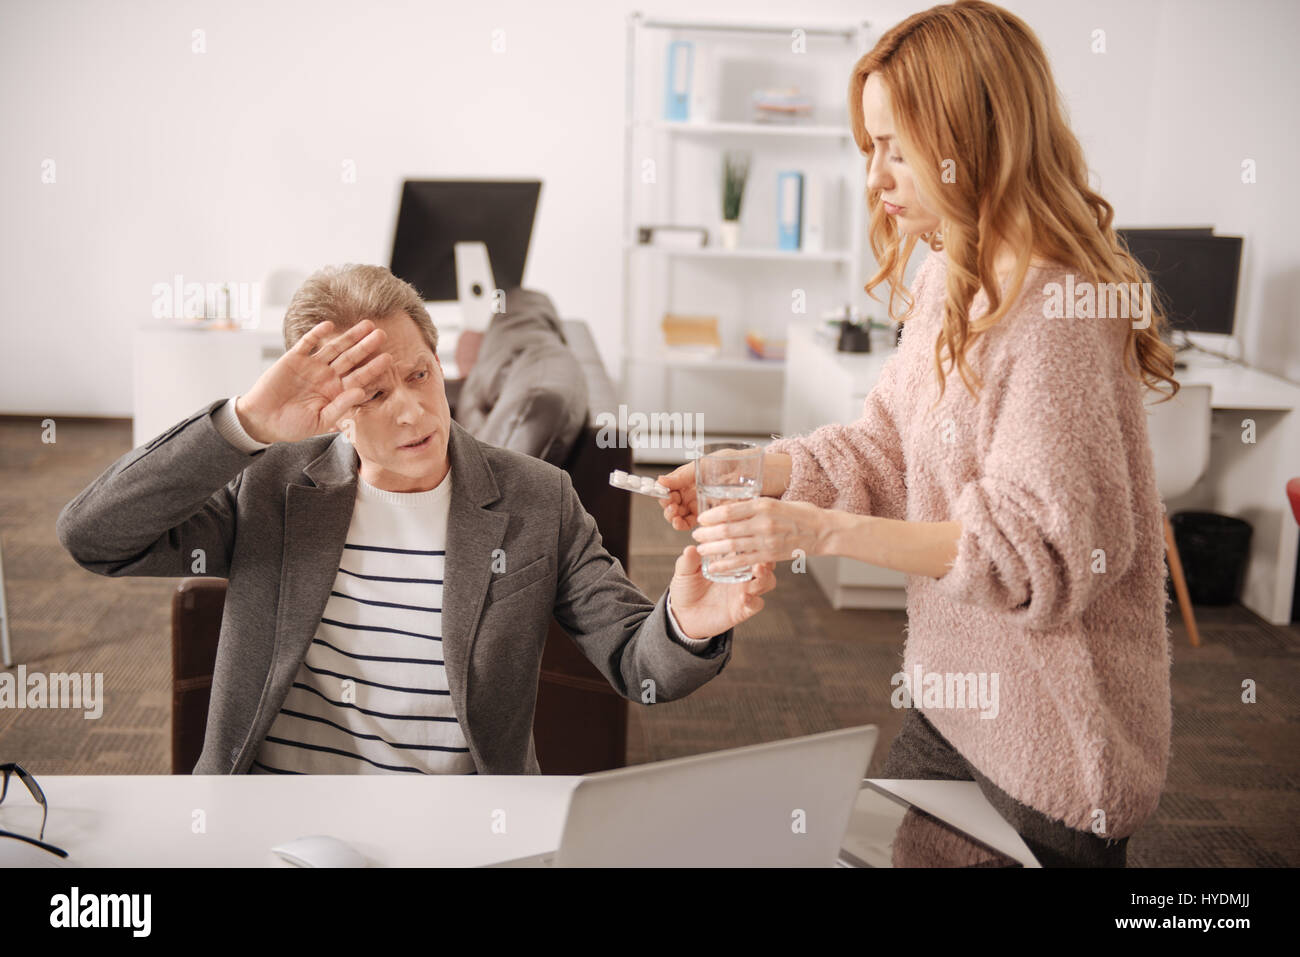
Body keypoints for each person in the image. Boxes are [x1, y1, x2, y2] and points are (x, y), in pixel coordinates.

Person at [657, 0, 1177, 867]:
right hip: (956, 703)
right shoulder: (951, 272)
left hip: (1050, 742)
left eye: (897, 148)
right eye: (872, 149)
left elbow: (1030, 556)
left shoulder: (1055, 311)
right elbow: (889, 445)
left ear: (974, 136)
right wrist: (765, 469)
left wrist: (816, 531)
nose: (877, 178)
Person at [56, 263, 774, 775]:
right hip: (271, 816)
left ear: (439, 362)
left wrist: (686, 624)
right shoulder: (271, 485)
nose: (409, 409)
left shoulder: (536, 499)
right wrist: (243, 424)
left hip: (456, 828)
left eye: (418, 374)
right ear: (330, 413)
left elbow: (637, 662)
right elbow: (94, 537)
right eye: (370, 394)